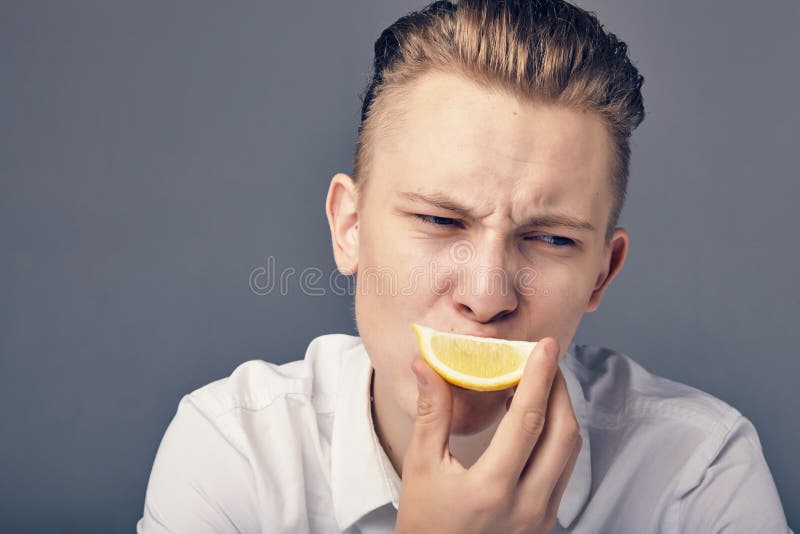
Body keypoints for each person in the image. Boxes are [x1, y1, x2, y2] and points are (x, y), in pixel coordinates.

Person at [138, 1, 791, 532]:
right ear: (350, 228)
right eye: (439, 221)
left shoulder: (698, 476)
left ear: (602, 273)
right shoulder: (235, 452)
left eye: (552, 239)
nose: (486, 297)